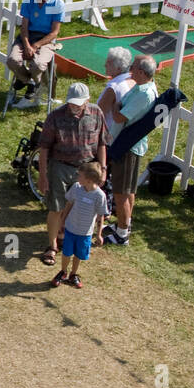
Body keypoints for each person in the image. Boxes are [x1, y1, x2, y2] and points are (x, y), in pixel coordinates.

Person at [36, 81, 107, 266]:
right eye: (71, 103)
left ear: (87, 100)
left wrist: (103, 168)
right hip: (60, 167)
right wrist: (42, 175)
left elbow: (101, 143)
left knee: (82, 207)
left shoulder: (97, 113)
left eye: (78, 103)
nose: (74, 106)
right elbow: (44, 148)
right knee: (56, 207)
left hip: (87, 168)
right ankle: (52, 246)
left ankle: (71, 239)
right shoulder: (55, 117)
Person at [104, 55, 158, 247]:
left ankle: (122, 234)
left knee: (121, 191)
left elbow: (119, 117)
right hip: (129, 145)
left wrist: (114, 106)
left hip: (128, 147)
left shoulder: (144, 94)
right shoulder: (141, 86)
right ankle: (123, 224)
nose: (130, 70)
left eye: (133, 68)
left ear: (142, 73)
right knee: (128, 190)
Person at [6, 0, 63, 108]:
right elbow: (24, 27)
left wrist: (36, 46)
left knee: (37, 65)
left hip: (45, 40)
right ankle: (31, 83)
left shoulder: (57, 4)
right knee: (12, 60)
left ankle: (27, 83)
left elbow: (54, 32)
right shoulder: (29, 1)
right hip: (27, 37)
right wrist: (26, 45)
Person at [53, 162, 108, 289]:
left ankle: (73, 274)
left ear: (88, 180)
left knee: (79, 254)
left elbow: (101, 216)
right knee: (66, 252)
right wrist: (62, 220)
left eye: (80, 176)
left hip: (85, 233)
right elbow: (69, 204)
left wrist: (99, 234)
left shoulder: (99, 196)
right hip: (71, 228)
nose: (77, 178)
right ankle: (63, 272)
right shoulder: (76, 188)